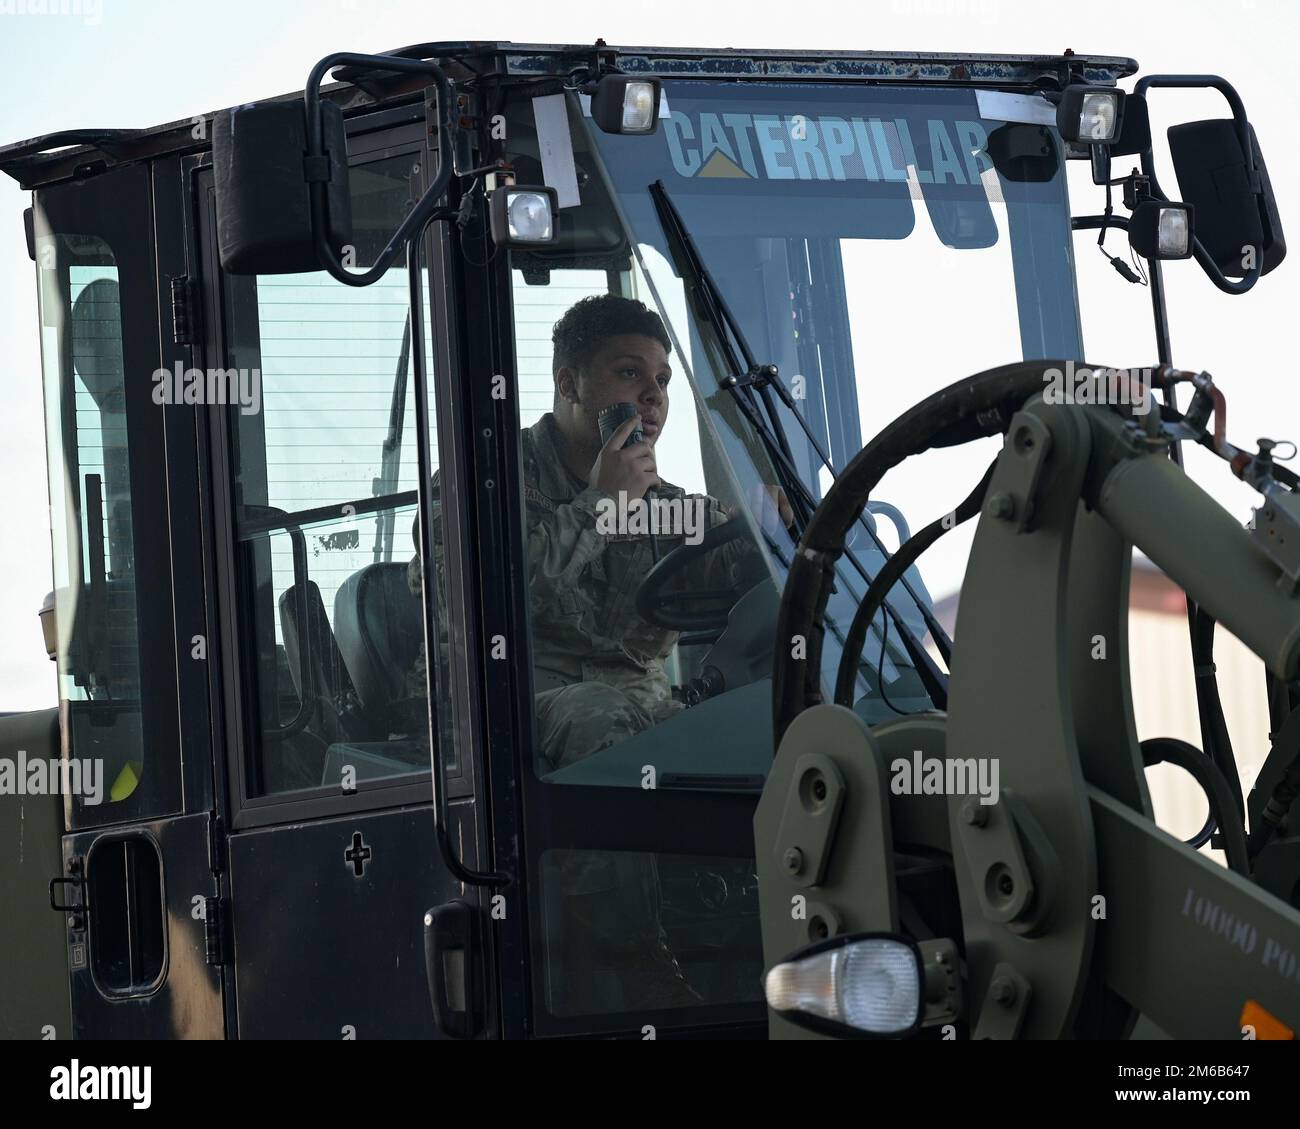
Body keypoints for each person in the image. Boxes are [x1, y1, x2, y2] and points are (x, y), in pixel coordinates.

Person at [406, 294, 791, 1012]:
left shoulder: (666, 502)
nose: (652, 395)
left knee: (773, 712)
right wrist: (599, 505)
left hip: (638, 702)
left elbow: (726, 560)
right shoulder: (478, 481)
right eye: (628, 373)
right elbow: (491, 592)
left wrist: (768, 533)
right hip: (508, 703)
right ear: (569, 382)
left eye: (664, 379)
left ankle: (783, 950)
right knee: (606, 718)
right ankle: (640, 970)